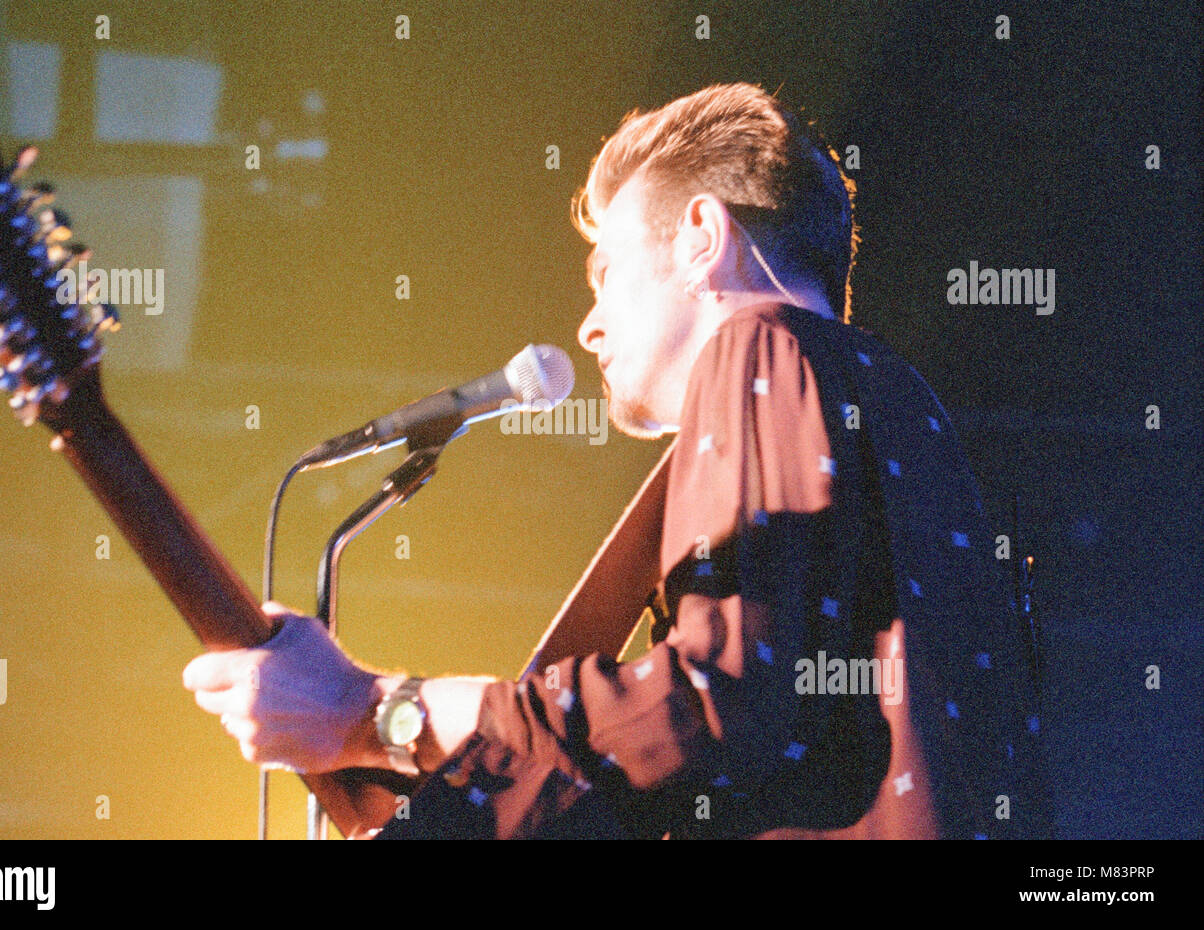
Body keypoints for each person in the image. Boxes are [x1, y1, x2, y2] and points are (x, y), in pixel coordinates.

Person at [183, 82, 1049, 839]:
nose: (588, 325)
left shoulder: (759, 344)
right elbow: (763, 743)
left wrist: (373, 712)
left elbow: (716, 702)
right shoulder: (901, 409)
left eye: (607, 275)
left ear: (703, 236)